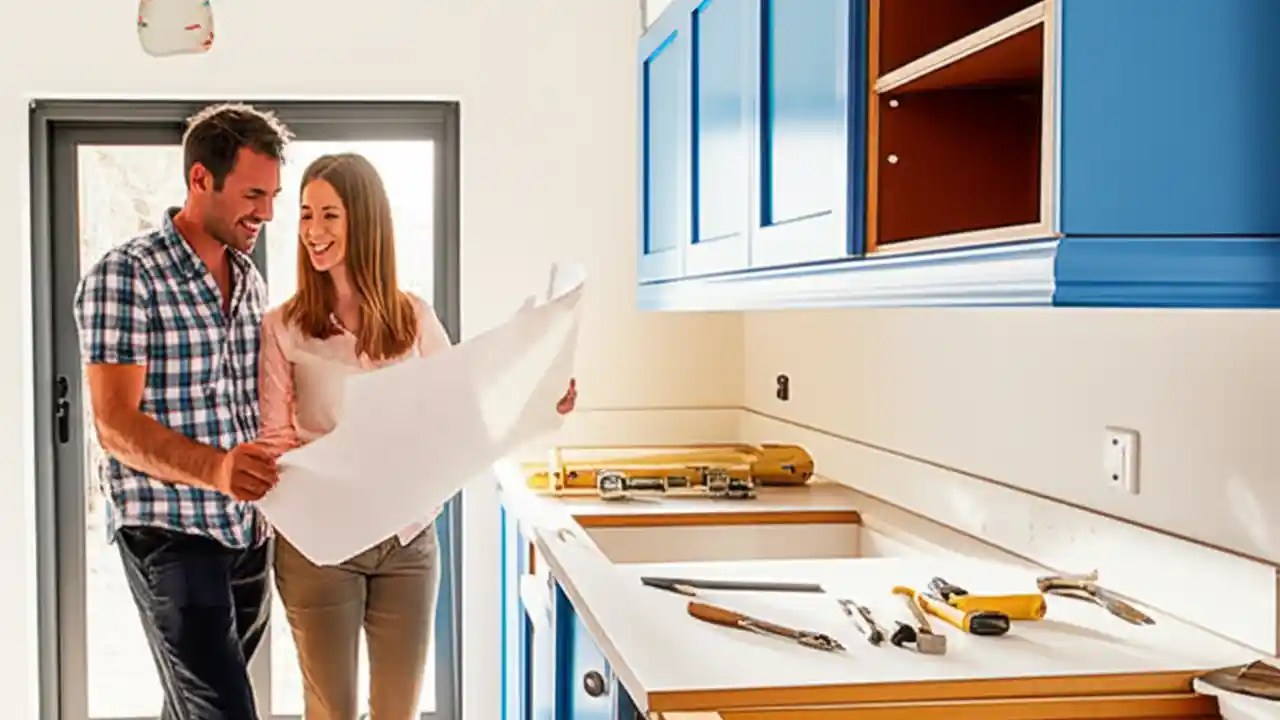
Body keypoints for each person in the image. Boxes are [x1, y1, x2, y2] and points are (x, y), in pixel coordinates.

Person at [257, 152, 577, 720]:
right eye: (306, 215)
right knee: (331, 711)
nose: (313, 231)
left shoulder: (414, 319)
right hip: (322, 545)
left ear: (366, 220)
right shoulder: (284, 326)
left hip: (407, 543)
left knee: (398, 712)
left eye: (329, 215)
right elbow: (276, 439)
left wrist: (538, 399)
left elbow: (463, 419)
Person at [73, 102, 293, 719]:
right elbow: (115, 424)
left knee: (194, 706)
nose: (268, 213)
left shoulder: (250, 281)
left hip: (247, 531)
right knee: (222, 711)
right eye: (254, 193)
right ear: (201, 180)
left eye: (274, 195)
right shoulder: (127, 274)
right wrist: (218, 469)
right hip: (171, 534)